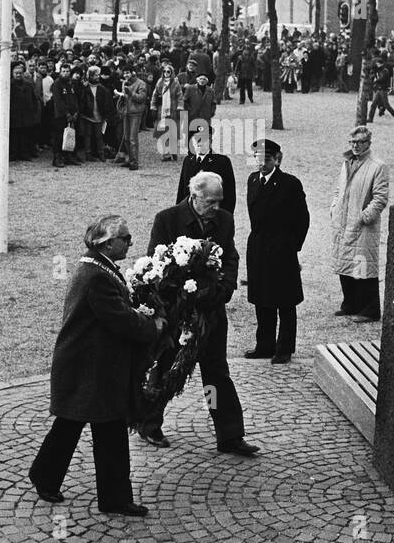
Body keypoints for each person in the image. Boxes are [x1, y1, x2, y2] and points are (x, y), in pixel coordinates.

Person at [29, 215, 164, 517]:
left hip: (90, 365)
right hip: (91, 369)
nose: (130, 242)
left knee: (76, 426)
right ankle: (110, 496)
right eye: (126, 238)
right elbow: (122, 320)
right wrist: (152, 325)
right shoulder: (97, 276)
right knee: (101, 429)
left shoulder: (96, 266)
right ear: (107, 243)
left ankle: (47, 476)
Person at [136, 172, 257, 456]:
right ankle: (149, 423)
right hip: (178, 311)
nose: (216, 208)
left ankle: (230, 435)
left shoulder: (224, 220)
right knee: (166, 365)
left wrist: (225, 287)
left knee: (216, 373)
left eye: (219, 202)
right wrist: (184, 292)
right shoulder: (167, 219)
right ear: (194, 196)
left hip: (211, 310)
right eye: (210, 202)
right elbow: (158, 262)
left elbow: (230, 256)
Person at [242, 139, 309, 364]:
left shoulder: (290, 184)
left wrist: (292, 246)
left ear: (276, 159)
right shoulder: (252, 180)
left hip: (282, 251)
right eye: (258, 159)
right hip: (259, 249)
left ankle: (284, 348)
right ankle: (265, 345)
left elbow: (303, 219)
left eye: (267, 160)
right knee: (262, 299)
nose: (262, 164)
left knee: (285, 302)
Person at [331, 125, 390, 323]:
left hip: (362, 224)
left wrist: (366, 216)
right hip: (343, 219)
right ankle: (349, 304)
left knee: (364, 266)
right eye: (353, 142)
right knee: (345, 263)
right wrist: (335, 208)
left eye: (360, 142)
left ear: (368, 143)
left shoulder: (377, 166)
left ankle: (369, 310)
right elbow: (339, 189)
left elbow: (380, 198)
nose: (356, 146)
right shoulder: (346, 162)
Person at [176, 133, 237, 213]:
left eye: (203, 139)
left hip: (212, 214)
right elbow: (182, 191)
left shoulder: (222, 162)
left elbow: (229, 195)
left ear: (210, 142)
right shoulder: (188, 161)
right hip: (189, 215)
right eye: (196, 138)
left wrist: (224, 219)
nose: (199, 142)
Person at [150, 64, 182, 162]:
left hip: (172, 110)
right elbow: (154, 95)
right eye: (164, 71)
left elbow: (180, 96)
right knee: (163, 132)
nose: (166, 73)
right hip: (162, 111)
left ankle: (173, 150)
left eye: (168, 71)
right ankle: (165, 154)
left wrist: (179, 108)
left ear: (171, 72)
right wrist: (153, 107)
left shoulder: (176, 83)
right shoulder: (160, 82)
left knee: (173, 131)